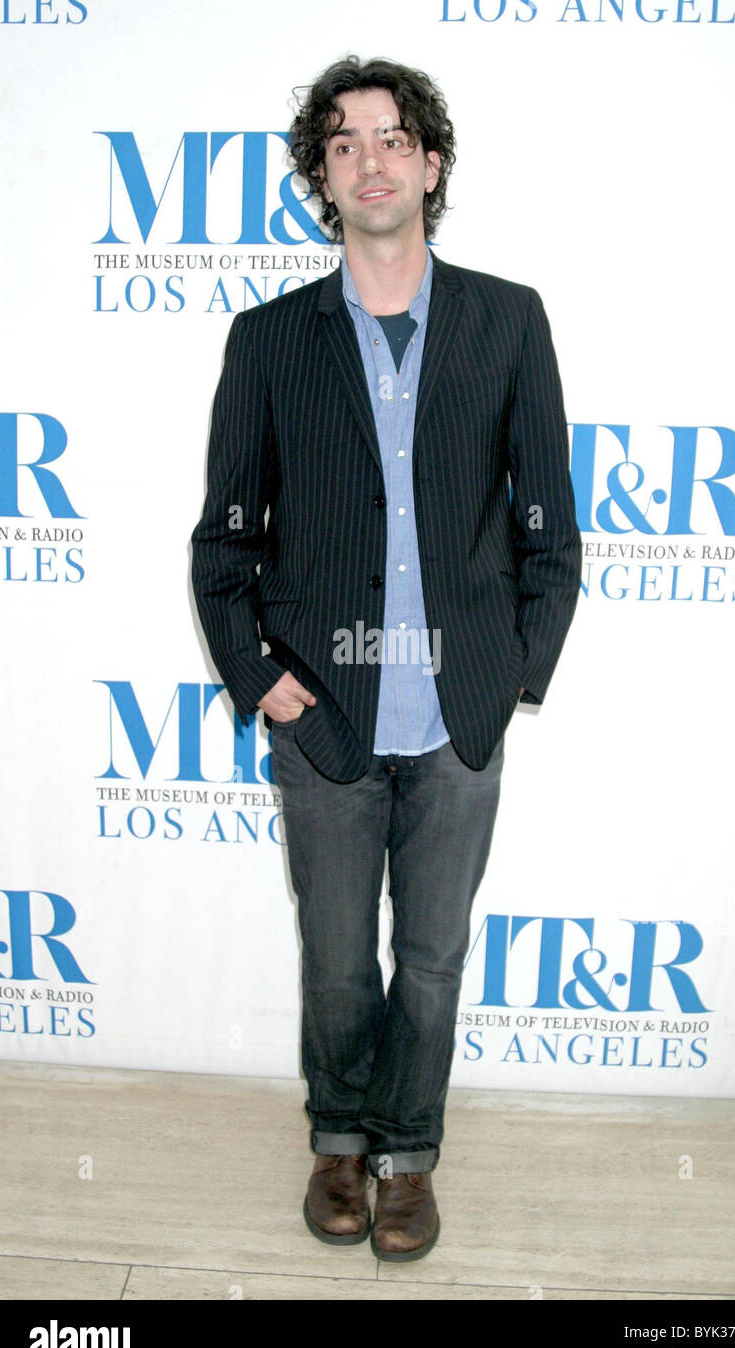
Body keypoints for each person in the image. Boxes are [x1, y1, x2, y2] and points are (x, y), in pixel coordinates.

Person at [191, 54, 581, 1263]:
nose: (372, 158)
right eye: (345, 141)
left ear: (432, 163)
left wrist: (516, 668)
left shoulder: (507, 320)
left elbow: (548, 526)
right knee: (335, 958)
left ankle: (408, 1157)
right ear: (322, 175)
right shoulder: (268, 340)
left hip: (458, 716)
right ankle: (338, 1140)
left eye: (393, 137)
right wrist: (267, 683)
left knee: (432, 957)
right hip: (327, 718)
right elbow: (223, 543)